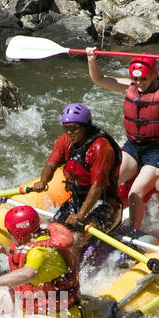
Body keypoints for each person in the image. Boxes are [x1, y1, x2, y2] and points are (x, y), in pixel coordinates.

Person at [86, 48, 159, 231]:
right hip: (133, 147)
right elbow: (100, 79)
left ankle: (132, 233)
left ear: (154, 75)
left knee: (135, 193)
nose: (138, 83)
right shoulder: (130, 86)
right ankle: (98, 218)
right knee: (105, 181)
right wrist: (92, 60)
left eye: (143, 79)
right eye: (135, 78)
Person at [0, 205, 82, 318]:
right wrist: (2, 248)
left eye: (9, 231)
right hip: (38, 312)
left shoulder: (40, 251)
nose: (9, 234)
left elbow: (28, 273)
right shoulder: (33, 241)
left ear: (18, 232)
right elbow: (21, 255)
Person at [28, 103, 121, 253]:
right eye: (66, 128)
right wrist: (43, 181)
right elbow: (51, 165)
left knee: (75, 238)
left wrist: (80, 215)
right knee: (51, 232)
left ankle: (72, 274)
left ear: (86, 126)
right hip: (77, 199)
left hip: (106, 203)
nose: (70, 133)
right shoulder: (64, 141)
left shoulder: (100, 148)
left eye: (74, 128)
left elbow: (98, 186)